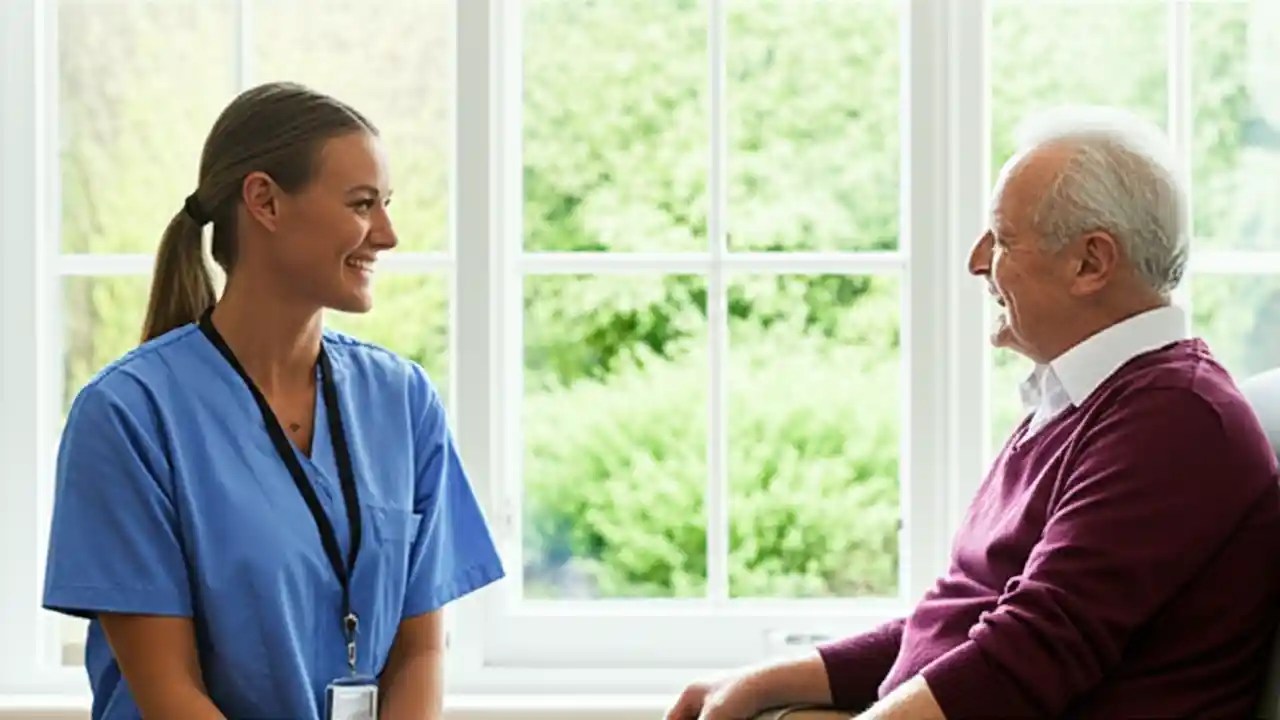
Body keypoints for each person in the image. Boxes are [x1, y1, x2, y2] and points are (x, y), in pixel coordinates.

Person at [667, 107, 1280, 719]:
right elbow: (966, 616)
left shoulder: (1176, 420)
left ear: (1090, 263)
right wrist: (766, 681)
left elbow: (1029, 650)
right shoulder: (1084, 399)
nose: (978, 260)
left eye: (1004, 238)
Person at [42, 81, 505, 720]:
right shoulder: (127, 416)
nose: (389, 234)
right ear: (264, 201)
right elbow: (170, 693)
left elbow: (420, 653)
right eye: (362, 203)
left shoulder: (403, 401)